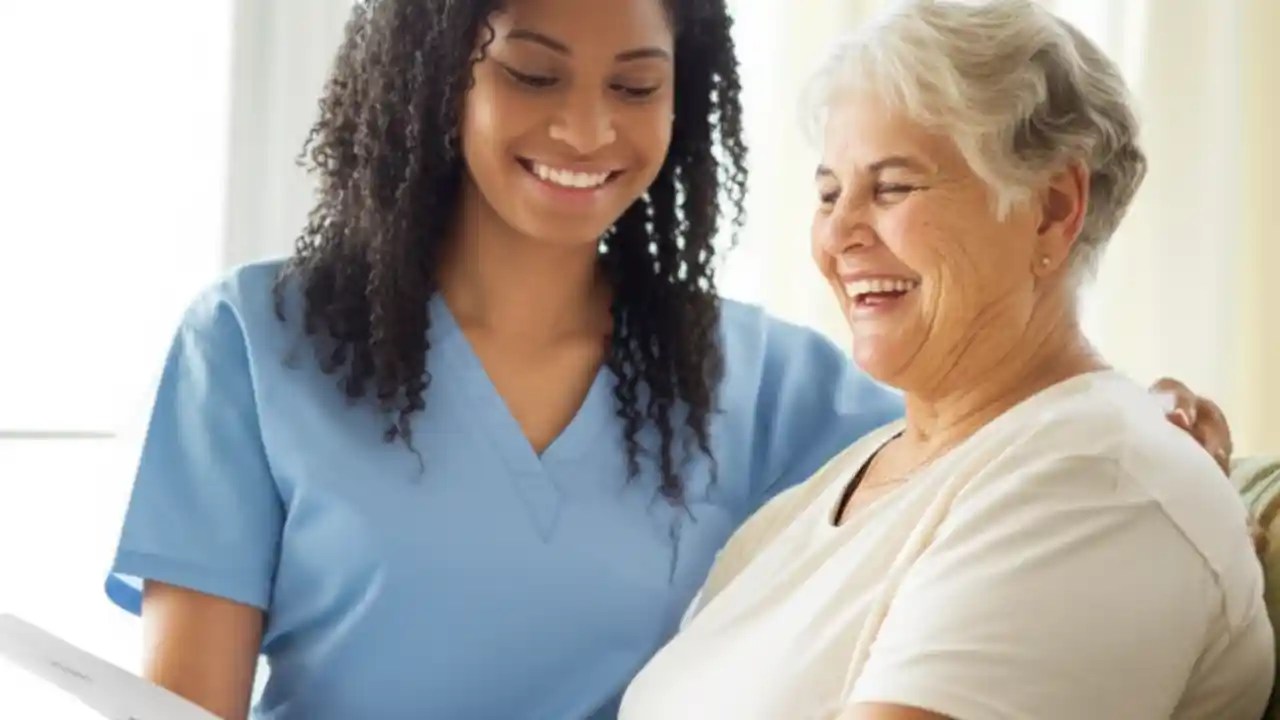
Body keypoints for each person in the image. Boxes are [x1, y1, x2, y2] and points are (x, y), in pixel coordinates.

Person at [103, 1, 1233, 718]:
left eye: (635, 86)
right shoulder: (254, 345)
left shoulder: (769, 384)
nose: (588, 130)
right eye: (533, 74)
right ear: (430, 80)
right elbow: (188, 708)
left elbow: (999, 445)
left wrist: (1148, 414)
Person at [619, 2, 1274, 719]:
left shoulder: (1097, 484)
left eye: (893, 186)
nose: (838, 233)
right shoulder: (823, 496)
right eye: (829, 192)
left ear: (1053, 207)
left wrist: (1131, 448)